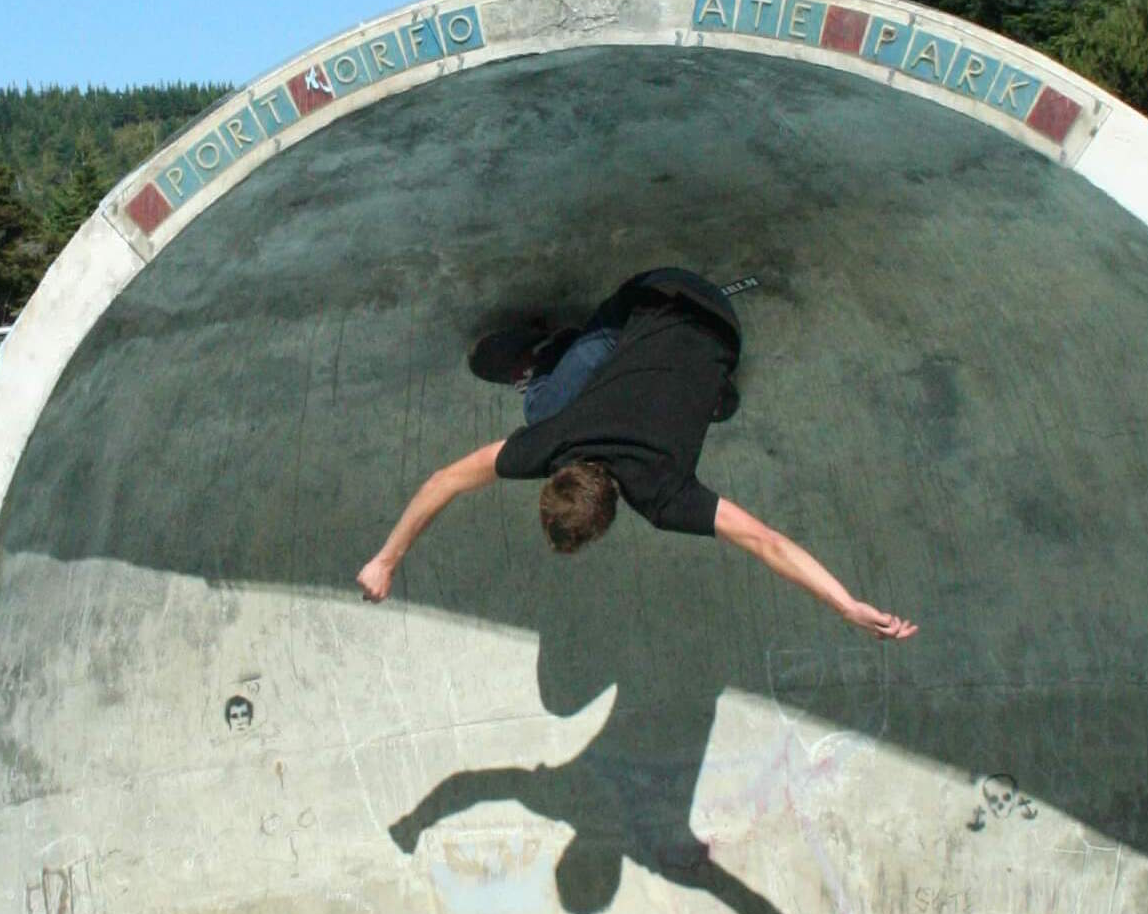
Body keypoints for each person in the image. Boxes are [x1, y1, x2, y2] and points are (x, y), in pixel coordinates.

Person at [356, 266, 916, 641]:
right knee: (543, 415)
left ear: (612, 515)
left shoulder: (663, 496)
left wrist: (847, 605)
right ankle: (674, 384)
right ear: (559, 479)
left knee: (543, 408)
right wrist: (386, 559)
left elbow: (766, 542)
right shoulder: (551, 444)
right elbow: (444, 480)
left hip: (723, 329)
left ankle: (564, 358)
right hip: (661, 287)